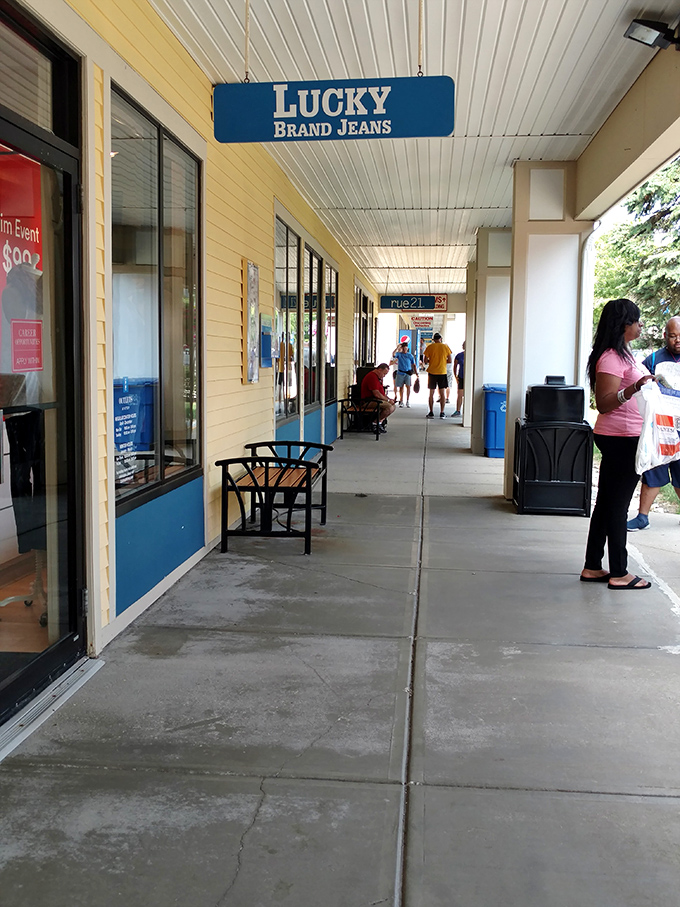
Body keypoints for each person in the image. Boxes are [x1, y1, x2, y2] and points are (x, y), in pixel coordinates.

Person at [580, 299, 655, 590]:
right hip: (620, 438)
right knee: (618, 505)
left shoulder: (625, 354)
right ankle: (620, 572)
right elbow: (605, 403)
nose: (640, 325)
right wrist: (635, 388)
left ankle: (593, 566)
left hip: (624, 436)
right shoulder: (611, 357)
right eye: (636, 320)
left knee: (607, 503)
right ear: (624, 325)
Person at [626, 315, 680, 531]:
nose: (677, 340)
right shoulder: (653, 359)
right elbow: (640, 385)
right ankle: (642, 517)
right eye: (673, 336)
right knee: (653, 471)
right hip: (661, 428)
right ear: (665, 336)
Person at [360, 363, 396, 432]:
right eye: (384, 373)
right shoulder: (372, 377)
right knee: (389, 407)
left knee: (393, 406)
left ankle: (379, 422)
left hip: (376, 400)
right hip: (368, 402)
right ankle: (375, 423)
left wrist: (389, 399)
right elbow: (377, 394)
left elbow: (381, 393)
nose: (384, 376)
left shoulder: (379, 378)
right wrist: (388, 400)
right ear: (379, 370)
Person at [423, 332, 452, 418]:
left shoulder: (430, 347)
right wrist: (443, 362)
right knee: (442, 393)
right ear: (441, 339)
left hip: (432, 372)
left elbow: (425, 360)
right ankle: (442, 412)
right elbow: (450, 360)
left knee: (431, 393)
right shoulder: (445, 347)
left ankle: (431, 412)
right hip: (442, 372)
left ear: (434, 340)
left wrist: (432, 361)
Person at [392, 342, 417, 407]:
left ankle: (408, 400)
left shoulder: (410, 355)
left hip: (407, 373)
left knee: (408, 386)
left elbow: (413, 364)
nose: (404, 349)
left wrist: (416, 373)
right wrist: (397, 347)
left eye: (406, 347)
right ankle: (401, 400)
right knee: (401, 387)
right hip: (400, 372)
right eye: (403, 347)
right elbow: (393, 354)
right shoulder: (399, 354)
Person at [453, 341, 465, 416]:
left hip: (469, 378)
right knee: (459, 394)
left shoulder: (473, 354)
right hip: (461, 377)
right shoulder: (459, 355)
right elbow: (455, 366)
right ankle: (458, 410)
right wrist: (455, 376)